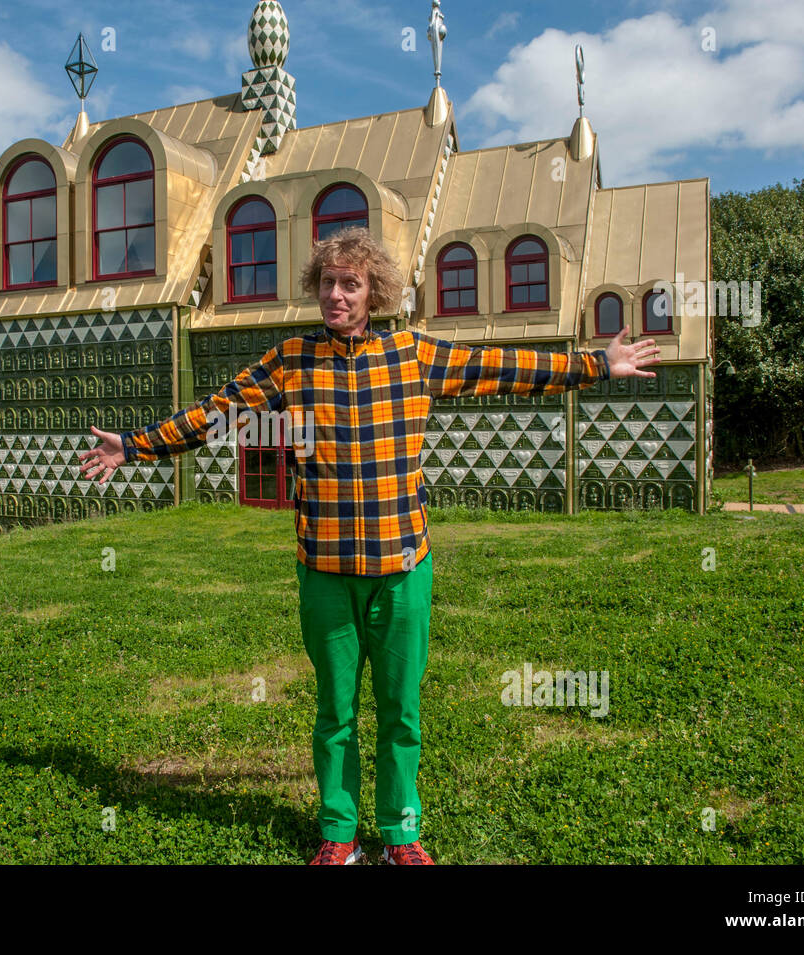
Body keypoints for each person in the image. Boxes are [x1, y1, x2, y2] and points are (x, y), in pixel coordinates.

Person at [78, 226, 660, 865]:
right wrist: (133, 444)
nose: (336, 294)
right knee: (335, 712)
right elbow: (216, 413)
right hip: (324, 570)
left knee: (400, 711)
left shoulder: (412, 354)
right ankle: (338, 834)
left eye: (350, 283)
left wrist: (596, 364)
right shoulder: (290, 361)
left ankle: (401, 836)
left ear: (373, 291)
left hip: (402, 567)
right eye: (327, 282)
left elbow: (503, 365)